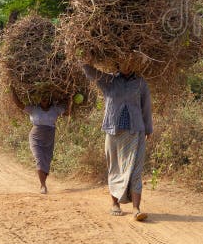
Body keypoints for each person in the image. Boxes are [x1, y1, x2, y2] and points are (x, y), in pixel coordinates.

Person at [82, 64, 152, 221]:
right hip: (114, 132)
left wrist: (148, 129)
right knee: (115, 167)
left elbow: (146, 107)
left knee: (135, 170)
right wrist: (84, 57)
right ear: (118, 64)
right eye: (124, 63)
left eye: (130, 62)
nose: (127, 66)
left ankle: (136, 209)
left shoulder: (140, 83)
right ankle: (115, 204)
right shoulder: (109, 80)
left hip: (136, 132)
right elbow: (89, 71)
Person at [12, 93, 66, 194]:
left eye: (46, 97)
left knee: (47, 160)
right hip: (35, 138)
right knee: (40, 159)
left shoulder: (55, 109)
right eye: (42, 97)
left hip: (49, 138)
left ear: (50, 98)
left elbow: (67, 113)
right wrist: (12, 89)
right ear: (38, 99)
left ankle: (43, 182)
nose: (44, 99)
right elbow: (19, 104)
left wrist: (71, 99)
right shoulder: (33, 109)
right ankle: (43, 185)